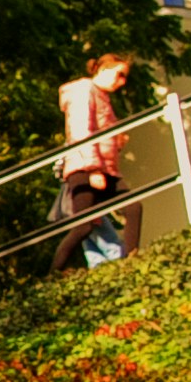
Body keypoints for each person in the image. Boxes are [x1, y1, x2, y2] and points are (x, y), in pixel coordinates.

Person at [54, 52, 140, 270]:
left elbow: (100, 134)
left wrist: (117, 140)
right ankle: (53, 275)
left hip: (104, 169)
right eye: (119, 75)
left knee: (133, 208)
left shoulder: (101, 96)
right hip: (86, 169)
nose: (122, 82)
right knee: (84, 228)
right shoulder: (85, 91)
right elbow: (81, 132)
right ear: (104, 69)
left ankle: (132, 264)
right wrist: (93, 171)